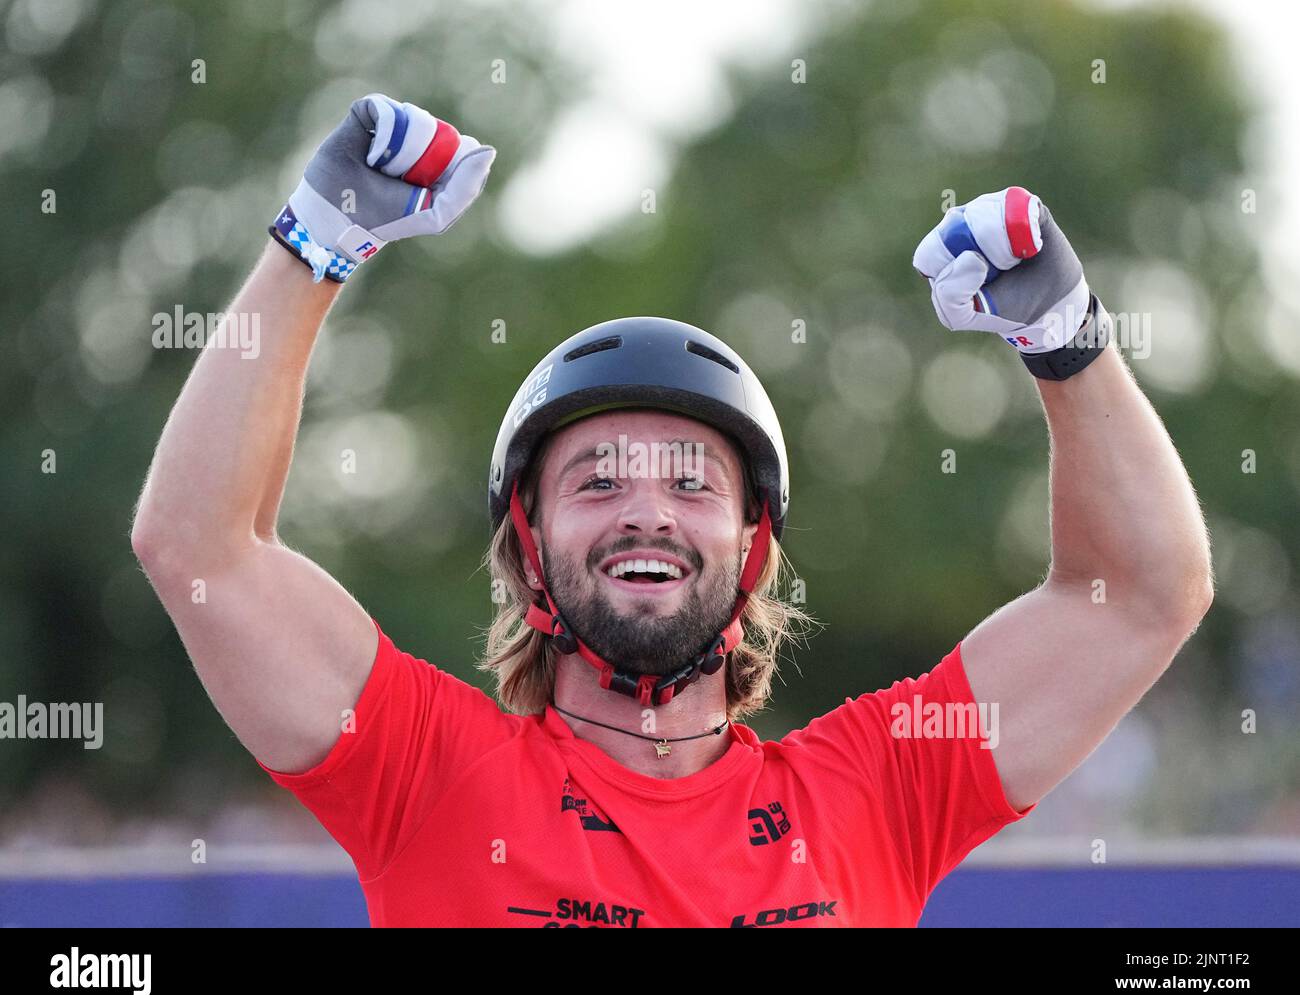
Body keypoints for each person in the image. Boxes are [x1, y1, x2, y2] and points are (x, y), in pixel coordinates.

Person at [132, 95, 1214, 928]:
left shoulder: (881, 787)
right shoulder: (425, 774)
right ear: (529, 544)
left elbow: (1140, 597)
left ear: (753, 546)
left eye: (691, 482)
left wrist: (1067, 342)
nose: (645, 509)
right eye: (596, 480)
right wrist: (313, 244)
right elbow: (201, 551)